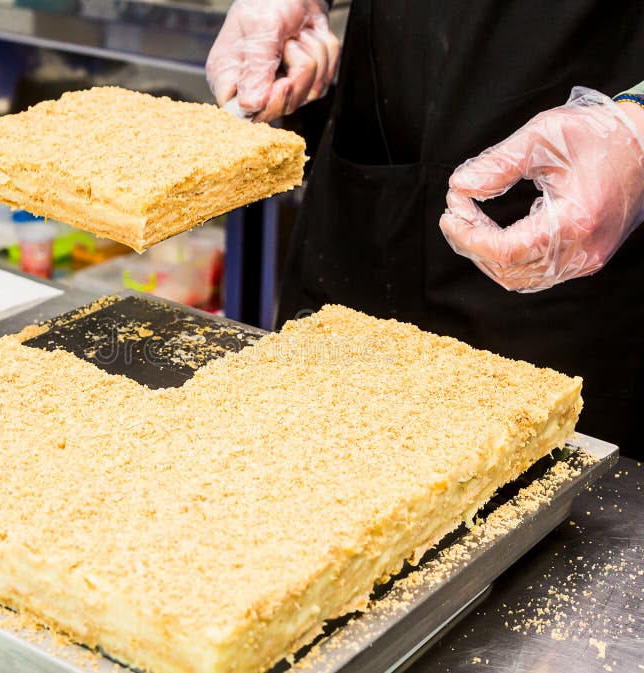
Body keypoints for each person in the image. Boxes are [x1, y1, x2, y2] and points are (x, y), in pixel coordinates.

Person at [206, 0, 644, 458]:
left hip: (589, 208)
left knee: (543, 482)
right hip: (375, 176)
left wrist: (637, 126)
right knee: (291, 449)